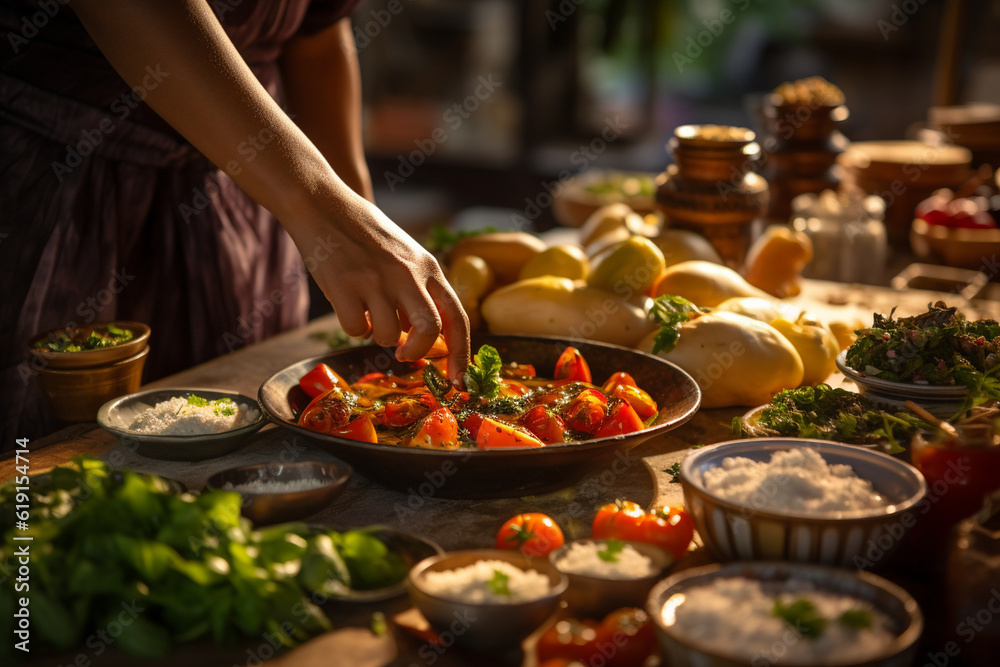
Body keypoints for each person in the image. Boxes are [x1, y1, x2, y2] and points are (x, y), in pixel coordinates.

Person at [0, 0, 471, 446]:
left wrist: (356, 215)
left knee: (243, 448)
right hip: (56, 181)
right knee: (43, 464)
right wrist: (319, 205)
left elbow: (318, 36)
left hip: (248, 192)